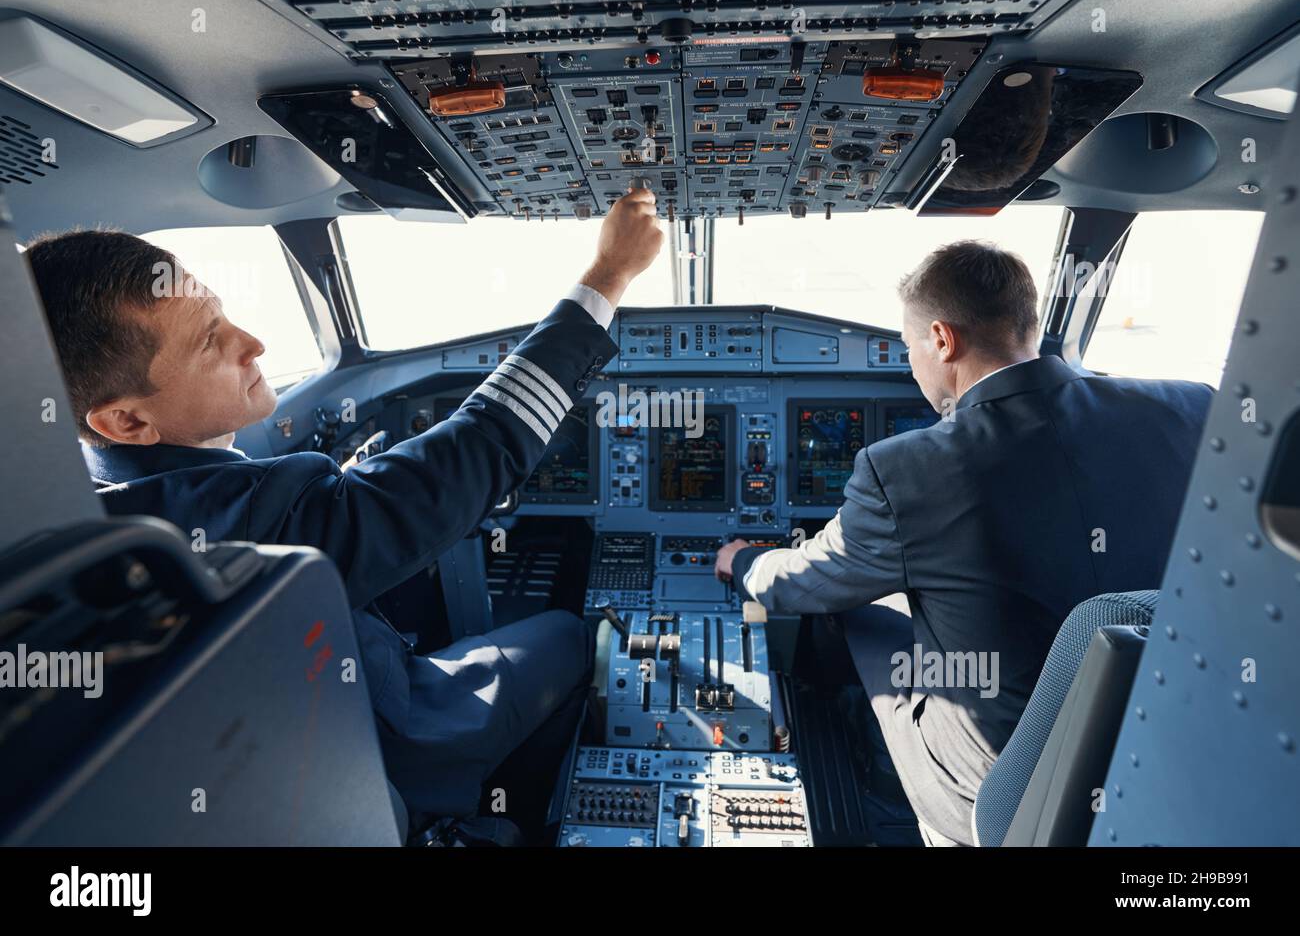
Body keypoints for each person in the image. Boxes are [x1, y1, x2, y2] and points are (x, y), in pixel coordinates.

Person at [26, 189, 664, 833]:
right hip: (385, 741)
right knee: (572, 636)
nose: (254, 344)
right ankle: (485, 818)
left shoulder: (94, 519)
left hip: (290, 752)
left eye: (223, 317)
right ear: (125, 420)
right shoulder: (254, 520)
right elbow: (482, 447)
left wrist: (350, 486)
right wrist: (608, 277)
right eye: (208, 343)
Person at [715, 240, 1212, 846]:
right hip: (1167, 748)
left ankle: (871, 784)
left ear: (943, 340)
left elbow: (804, 581)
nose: (911, 367)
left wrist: (740, 561)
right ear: (1028, 323)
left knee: (854, 611)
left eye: (909, 349)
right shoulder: (1189, 408)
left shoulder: (903, 468)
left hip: (1011, 788)